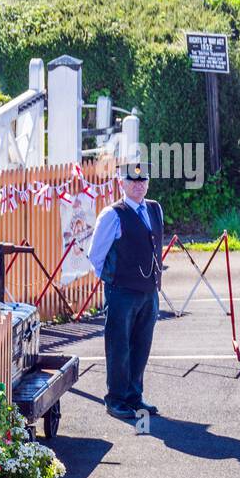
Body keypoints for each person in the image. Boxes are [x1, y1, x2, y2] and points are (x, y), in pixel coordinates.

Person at [88, 162, 164, 420]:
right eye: (132, 182)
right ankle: (116, 399)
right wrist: (115, 282)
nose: (138, 185)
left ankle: (134, 395)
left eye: (143, 181)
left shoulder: (154, 208)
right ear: (122, 184)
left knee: (141, 345)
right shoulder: (112, 214)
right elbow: (96, 255)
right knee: (119, 346)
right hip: (122, 291)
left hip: (148, 291)